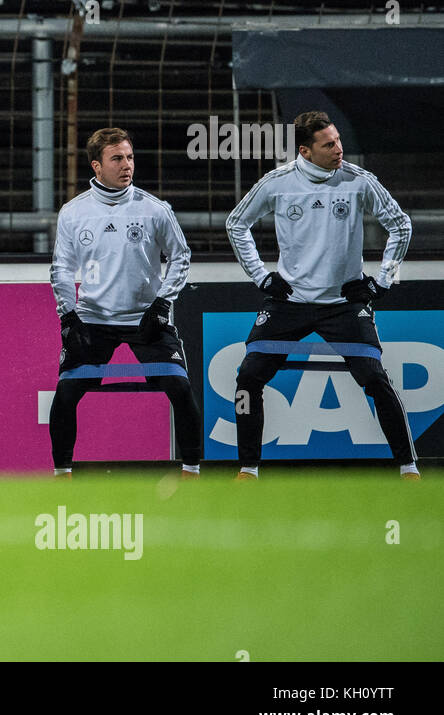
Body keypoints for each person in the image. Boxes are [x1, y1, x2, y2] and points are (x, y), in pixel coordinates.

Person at [226, 111, 416, 481]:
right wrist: (262, 278)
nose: (339, 149)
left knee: (375, 379)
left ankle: (409, 468)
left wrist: (382, 281)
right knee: (249, 375)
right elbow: (236, 222)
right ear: (305, 151)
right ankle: (248, 470)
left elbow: (401, 224)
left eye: (339, 140)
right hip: (288, 304)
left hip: (344, 306)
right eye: (329, 144)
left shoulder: (359, 180)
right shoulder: (277, 182)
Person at [48, 128, 202, 479]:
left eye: (130, 157)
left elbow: (180, 256)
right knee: (67, 393)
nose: (127, 165)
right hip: (92, 319)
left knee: (179, 387)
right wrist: (68, 317)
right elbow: (61, 267)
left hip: (145, 319)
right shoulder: (74, 213)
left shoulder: (154, 209)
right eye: (117, 158)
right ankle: (62, 476)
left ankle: (192, 472)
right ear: (97, 166)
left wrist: (162, 305)